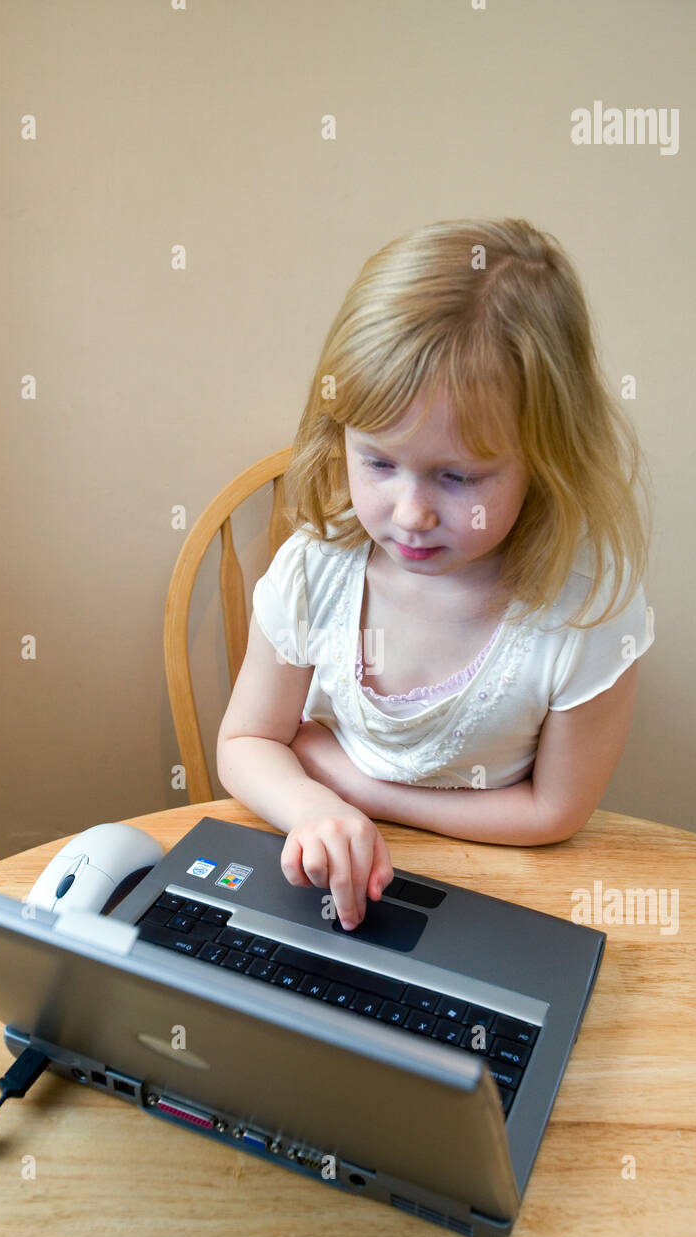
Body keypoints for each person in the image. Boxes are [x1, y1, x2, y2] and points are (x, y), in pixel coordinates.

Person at [216, 218, 655, 932]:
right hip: (326, 888)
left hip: (502, 897)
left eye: (458, 477)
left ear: (546, 461)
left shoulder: (588, 612)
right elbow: (245, 744)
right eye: (380, 462)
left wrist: (358, 787)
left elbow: (555, 812)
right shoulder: (317, 568)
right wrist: (316, 807)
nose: (411, 513)